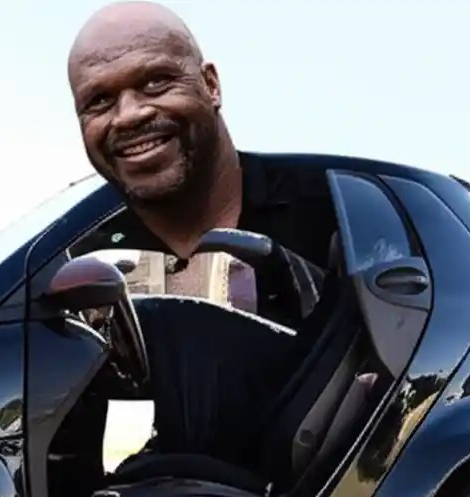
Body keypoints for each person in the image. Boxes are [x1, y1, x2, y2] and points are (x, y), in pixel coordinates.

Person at [65, 0, 337, 328]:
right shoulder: (75, 275)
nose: (128, 115)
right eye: (99, 101)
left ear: (211, 85)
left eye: (155, 82)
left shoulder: (340, 215)